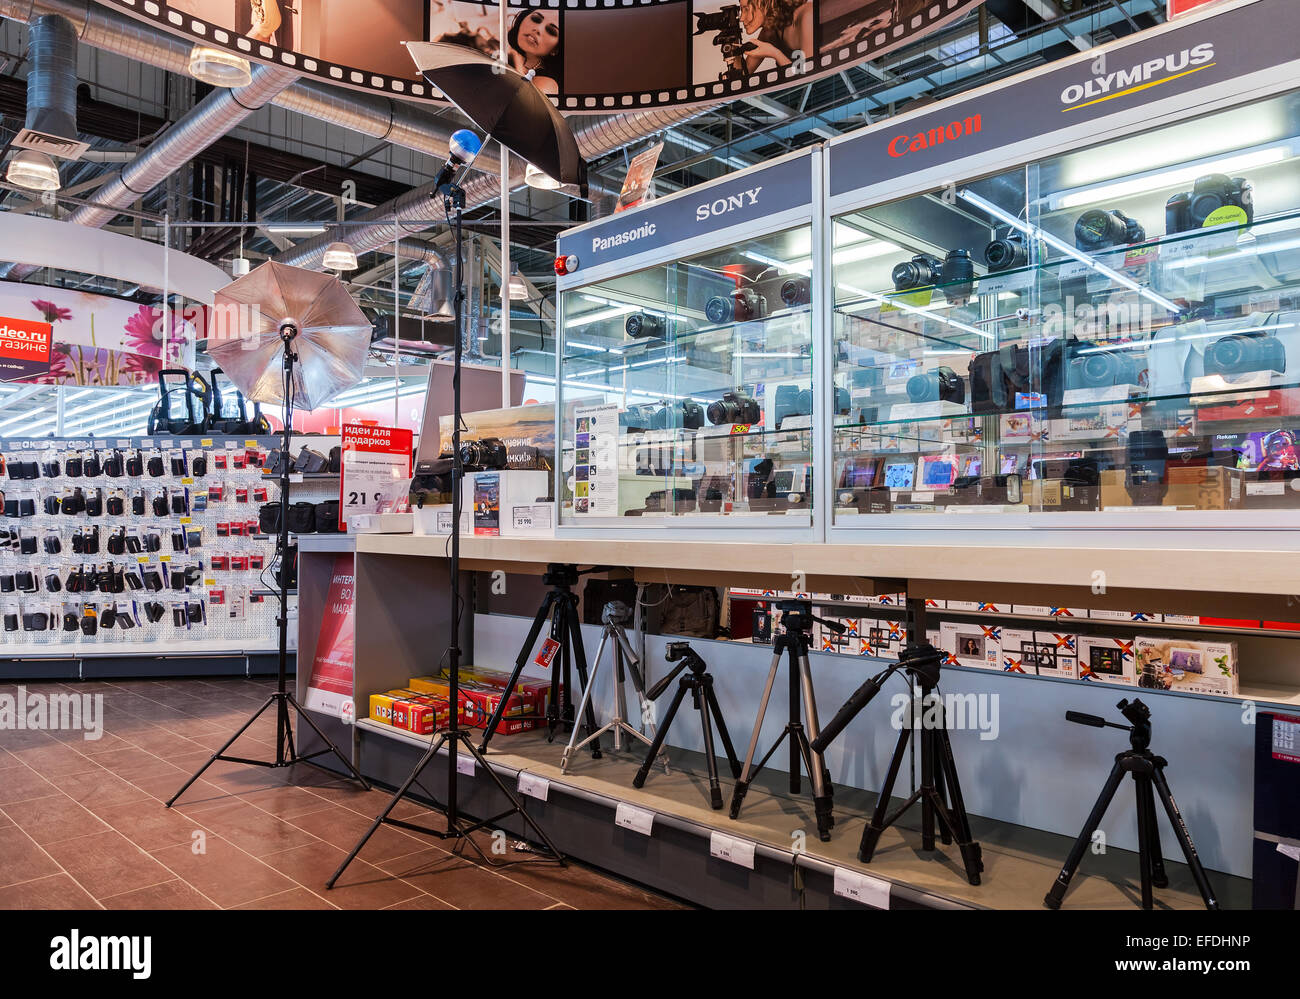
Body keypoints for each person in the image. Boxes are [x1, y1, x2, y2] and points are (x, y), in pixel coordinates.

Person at [738, 0, 813, 74]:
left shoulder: (807, 15)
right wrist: (731, 41)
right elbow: (741, 75)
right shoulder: (770, 31)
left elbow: (808, 78)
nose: (741, 18)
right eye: (741, 9)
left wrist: (774, 53)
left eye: (746, 9)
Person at [507, 8, 561, 96]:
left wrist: (518, 65)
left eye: (551, 31)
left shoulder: (548, 84)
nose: (538, 29)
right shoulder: (500, 55)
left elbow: (524, 105)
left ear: (555, 50)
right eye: (536, 19)